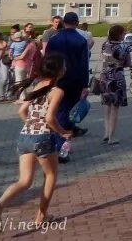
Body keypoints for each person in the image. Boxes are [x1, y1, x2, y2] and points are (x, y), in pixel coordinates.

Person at [0, 53, 71, 228]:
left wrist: (32, 125)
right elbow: (50, 118)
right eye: (64, 65)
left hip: (25, 136)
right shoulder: (57, 91)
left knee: (24, 181)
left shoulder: (36, 86)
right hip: (42, 138)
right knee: (50, 175)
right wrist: (63, 133)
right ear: (59, 71)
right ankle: (40, 217)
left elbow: (22, 111)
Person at [44, 12, 90, 155]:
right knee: (69, 114)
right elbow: (84, 64)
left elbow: (47, 59)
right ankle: (62, 148)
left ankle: (54, 143)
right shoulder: (81, 40)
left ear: (64, 22)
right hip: (74, 81)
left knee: (57, 111)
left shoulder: (54, 39)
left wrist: (46, 79)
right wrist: (85, 85)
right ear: (76, 22)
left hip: (56, 80)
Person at [98, 26, 132, 145]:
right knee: (115, 108)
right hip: (117, 78)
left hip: (105, 77)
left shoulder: (105, 44)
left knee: (106, 107)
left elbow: (103, 59)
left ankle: (106, 134)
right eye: (123, 33)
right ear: (119, 34)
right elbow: (128, 63)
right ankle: (112, 137)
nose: (124, 35)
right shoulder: (124, 47)